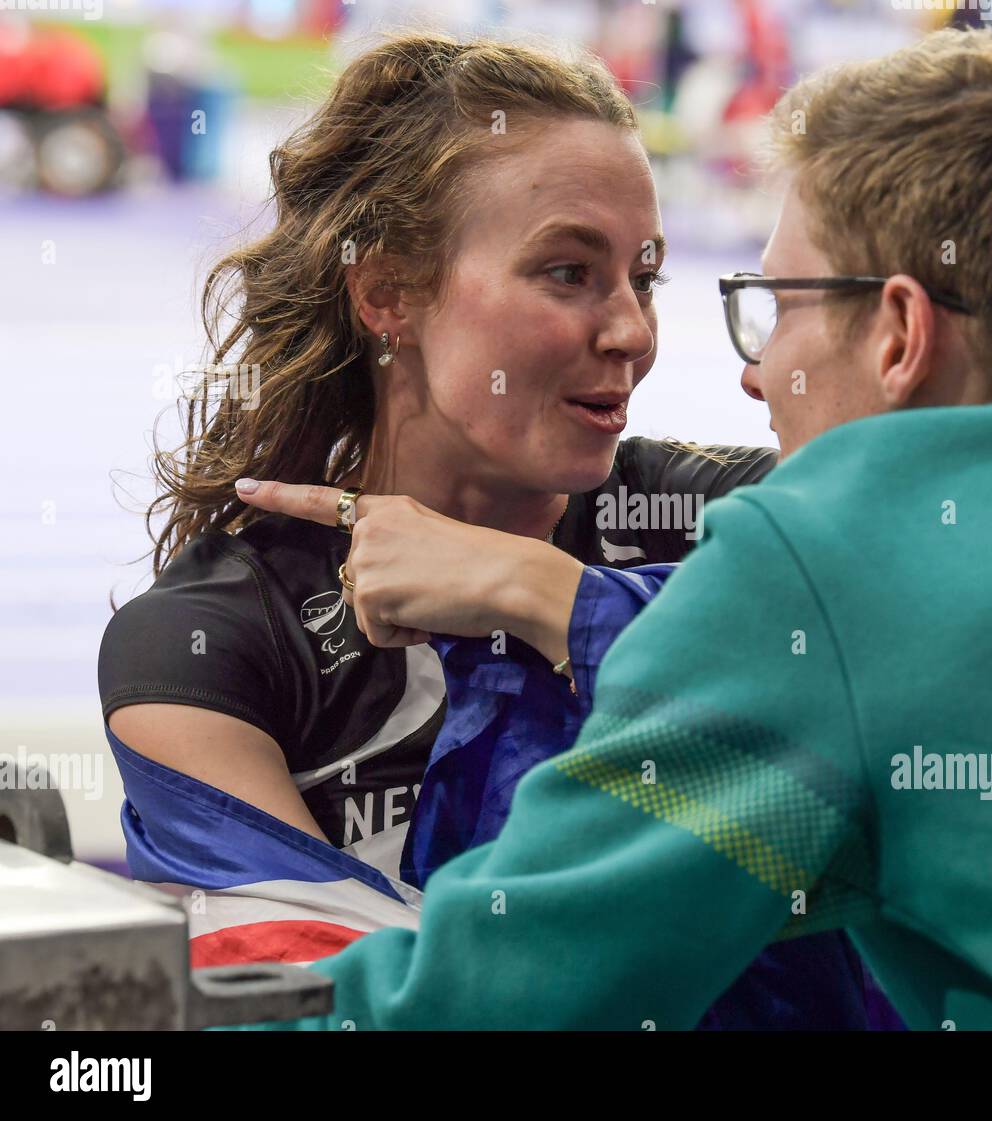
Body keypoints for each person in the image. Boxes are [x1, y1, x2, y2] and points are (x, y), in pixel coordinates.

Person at [231, 28, 992, 1030]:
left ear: (898, 334)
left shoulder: (827, 558)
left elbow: (493, 1002)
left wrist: (115, 1033)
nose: (749, 373)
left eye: (776, 304)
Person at [97, 31, 887, 1029]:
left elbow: (976, 654)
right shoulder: (209, 644)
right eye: (567, 272)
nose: (632, 330)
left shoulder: (729, 519)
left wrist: (541, 593)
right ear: (388, 292)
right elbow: (306, 1006)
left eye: (645, 276)